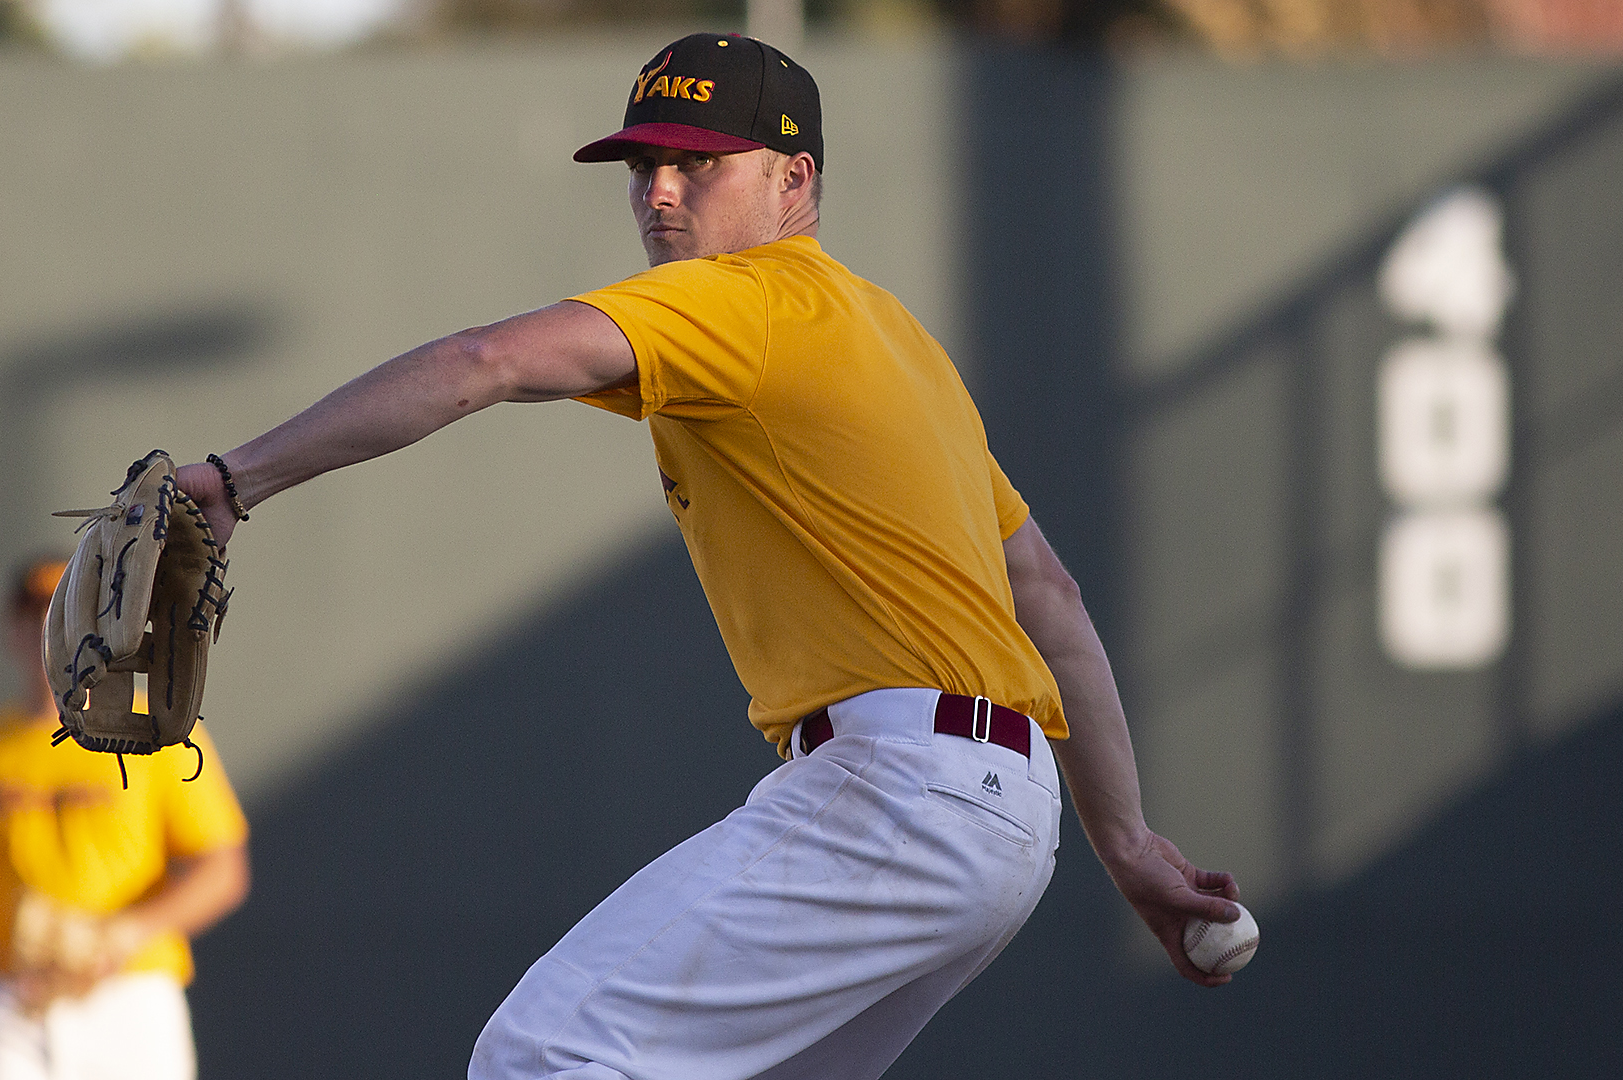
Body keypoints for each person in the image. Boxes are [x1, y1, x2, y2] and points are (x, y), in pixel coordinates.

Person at [175, 32, 1240, 1080]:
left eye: (699, 161)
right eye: (646, 164)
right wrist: (1128, 840)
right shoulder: (902, 341)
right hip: (1007, 821)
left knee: (547, 1053)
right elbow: (1046, 594)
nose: (662, 192)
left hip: (897, 792)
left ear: (794, 174)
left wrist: (239, 477)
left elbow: (483, 360)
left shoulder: (745, 301)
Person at [0, 554, 251, 1080]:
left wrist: (130, 933)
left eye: (67, 614)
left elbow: (222, 871)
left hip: (129, 994)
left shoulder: (154, 735)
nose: (50, 630)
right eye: (37, 614)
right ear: (11, 630)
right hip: (11, 995)